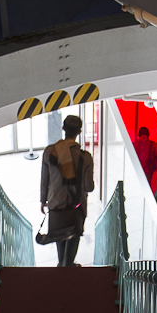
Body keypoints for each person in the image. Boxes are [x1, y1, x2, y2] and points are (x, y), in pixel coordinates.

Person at [38, 114, 95, 266]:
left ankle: (62, 265)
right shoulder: (86, 157)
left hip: (56, 203)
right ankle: (67, 265)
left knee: (59, 232)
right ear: (79, 132)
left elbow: (45, 180)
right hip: (76, 205)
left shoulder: (50, 152)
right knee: (73, 234)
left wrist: (43, 200)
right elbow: (89, 187)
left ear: (63, 128)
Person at [133, 125, 157, 194]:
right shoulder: (152, 144)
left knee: (137, 185)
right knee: (148, 186)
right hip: (149, 169)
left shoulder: (135, 144)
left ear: (139, 134)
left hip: (137, 169)